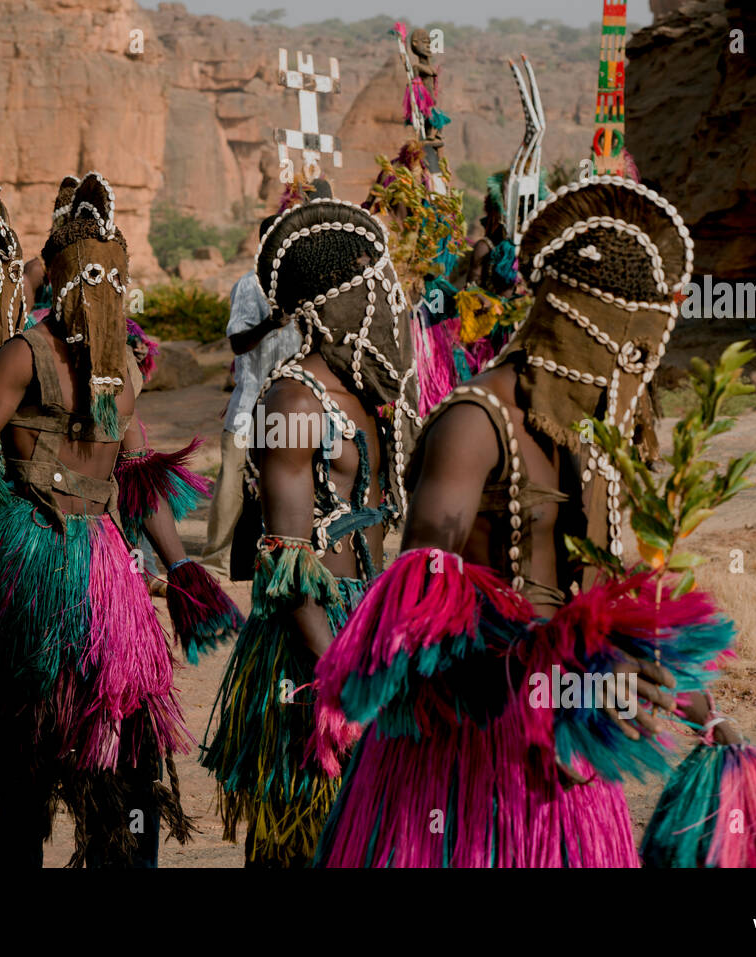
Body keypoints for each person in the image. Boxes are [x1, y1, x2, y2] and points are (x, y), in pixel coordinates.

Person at [310, 176, 738, 867]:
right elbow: (419, 611)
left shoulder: (596, 439)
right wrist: (547, 678)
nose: (630, 375)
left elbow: (613, 583)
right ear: (574, 319)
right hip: (465, 750)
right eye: (625, 349)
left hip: (566, 751)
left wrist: (697, 701)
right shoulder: (472, 425)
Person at [0, 173, 237, 867]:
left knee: (49, 730)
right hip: (87, 568)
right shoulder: (109, 368)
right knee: (92, 726)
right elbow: (133, 482)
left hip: (46, 563)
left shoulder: (53, 357)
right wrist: (174, 563)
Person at [201, 198, 419, 867]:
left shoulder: (370, 396)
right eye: (370, 288)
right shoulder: (292, 399)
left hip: (366, 627)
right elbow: (286, 565)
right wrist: (340, 682)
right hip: (312, 646)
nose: (387, 303)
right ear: (330, 306)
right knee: (298, 837)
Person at [199, 214, 301, 578]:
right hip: (250, 407)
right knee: (232, 481)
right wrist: (270, 324)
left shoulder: (305, 286)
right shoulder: (250, 286)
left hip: (293, 411)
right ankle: (216, 564)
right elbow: (238, 343)